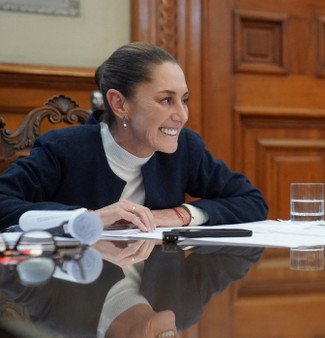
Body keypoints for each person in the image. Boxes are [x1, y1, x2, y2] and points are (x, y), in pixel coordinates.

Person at [0, 42, 268, 232]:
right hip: (79, 299)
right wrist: (88, 219)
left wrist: (180, 215)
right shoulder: (63, 149)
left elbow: (251, 201)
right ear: (119, 104)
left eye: (184, 100)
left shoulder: (186, 148)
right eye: (166, 100)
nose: (182, 115)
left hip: (158, 299)